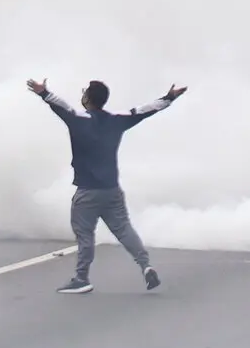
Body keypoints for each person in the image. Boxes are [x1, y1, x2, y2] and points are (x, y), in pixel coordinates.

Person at [27, 78, 187, 293]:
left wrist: (43, 93)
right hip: (112, 190)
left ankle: (82, 278)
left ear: (88, 99)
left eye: (84, 92)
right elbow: (144, 110)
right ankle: (145, 265)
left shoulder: (78, 120)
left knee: (85, 234)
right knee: (124, 229)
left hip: (87, 192)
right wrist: (169, 98)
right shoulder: (116, 120)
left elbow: (59, 105)